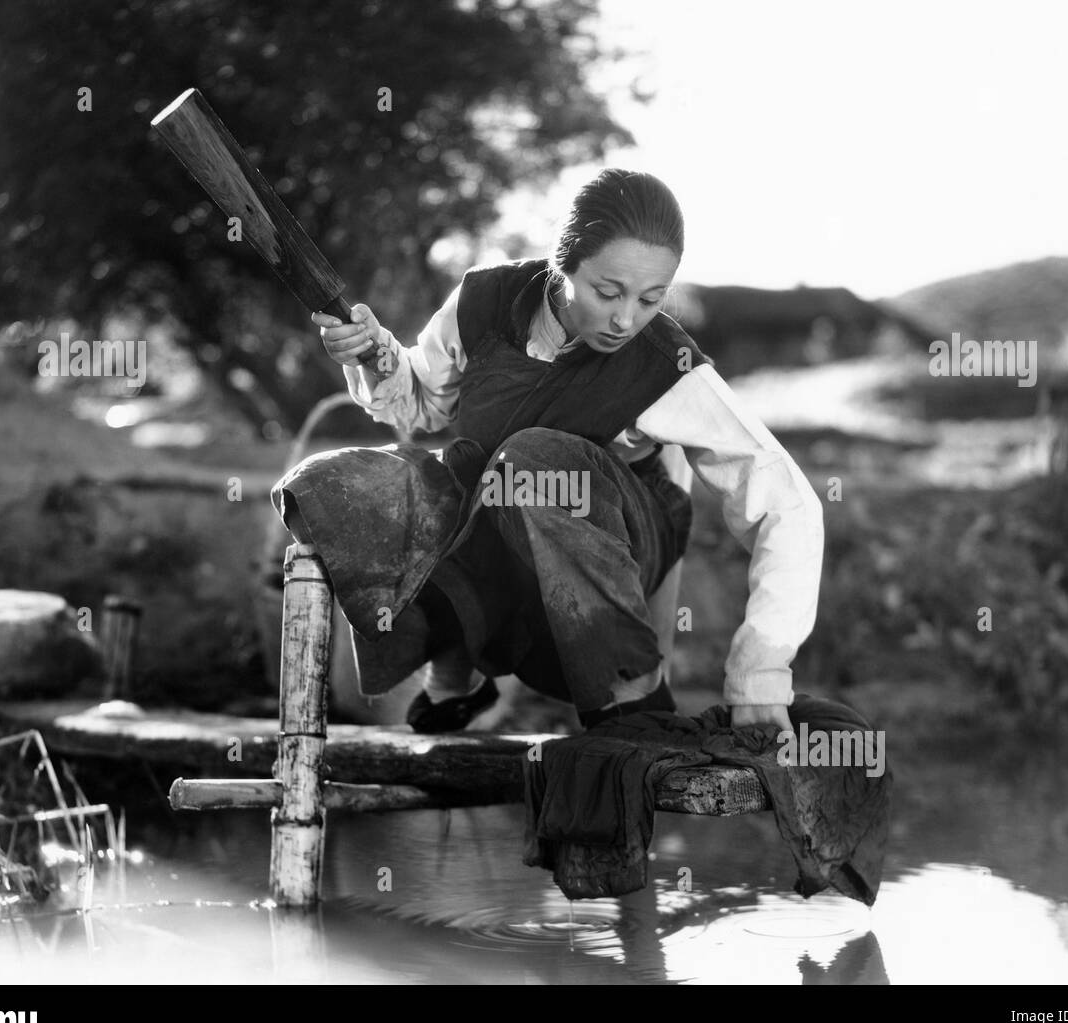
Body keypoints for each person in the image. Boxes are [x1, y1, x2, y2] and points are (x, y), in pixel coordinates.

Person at [274, 168, 823, 738]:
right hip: (500, 530)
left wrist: (760, 673)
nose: (625, 319)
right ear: (562, 265)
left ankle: (626, 701)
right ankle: (453, 656)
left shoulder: (667, 363)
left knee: (533, 461)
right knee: (336, 480)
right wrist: (374, 356)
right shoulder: (485, 301)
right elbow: (422, 411)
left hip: (618, 542)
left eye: (651, 299)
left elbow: (789, 503)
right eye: (607, 292)